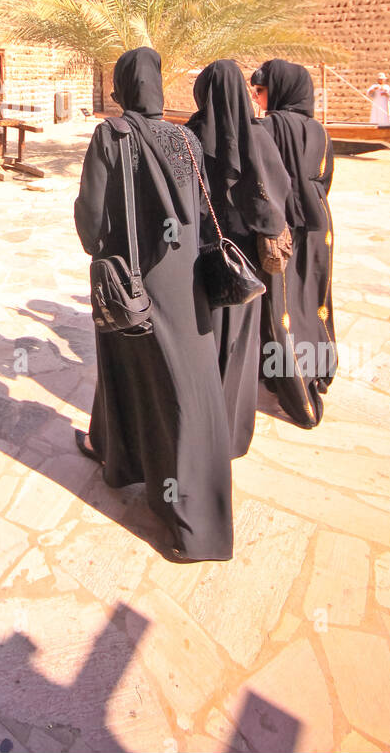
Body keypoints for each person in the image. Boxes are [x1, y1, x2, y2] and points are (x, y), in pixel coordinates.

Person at [73, 47, 233, 563]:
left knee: (153, 378)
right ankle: (117, 455)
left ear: (123, 85)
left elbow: (92, 220)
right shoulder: (186, 138)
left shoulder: (110, 135)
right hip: (185, 282)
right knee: (183, 380)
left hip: (132, 281)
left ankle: (193, 527)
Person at [186, 60, 292, 459]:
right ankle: (232, 433)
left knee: (206, 342)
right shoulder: (259, 137)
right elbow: (273, 198)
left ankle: (202, 430)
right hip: (243, 262)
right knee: (240, 347)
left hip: (203, 261)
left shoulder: (189, 138)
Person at [249, 60, 337, 429]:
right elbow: (325, 177)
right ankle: (319, 369)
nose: (257, 97)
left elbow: (260, 181)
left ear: (279, 90)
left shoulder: (265, 128)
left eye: (261, 90)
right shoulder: (320, 132)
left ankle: (297, 393)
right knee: (314, 300)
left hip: (281, 230)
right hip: (320, 228)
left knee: (281, 308)